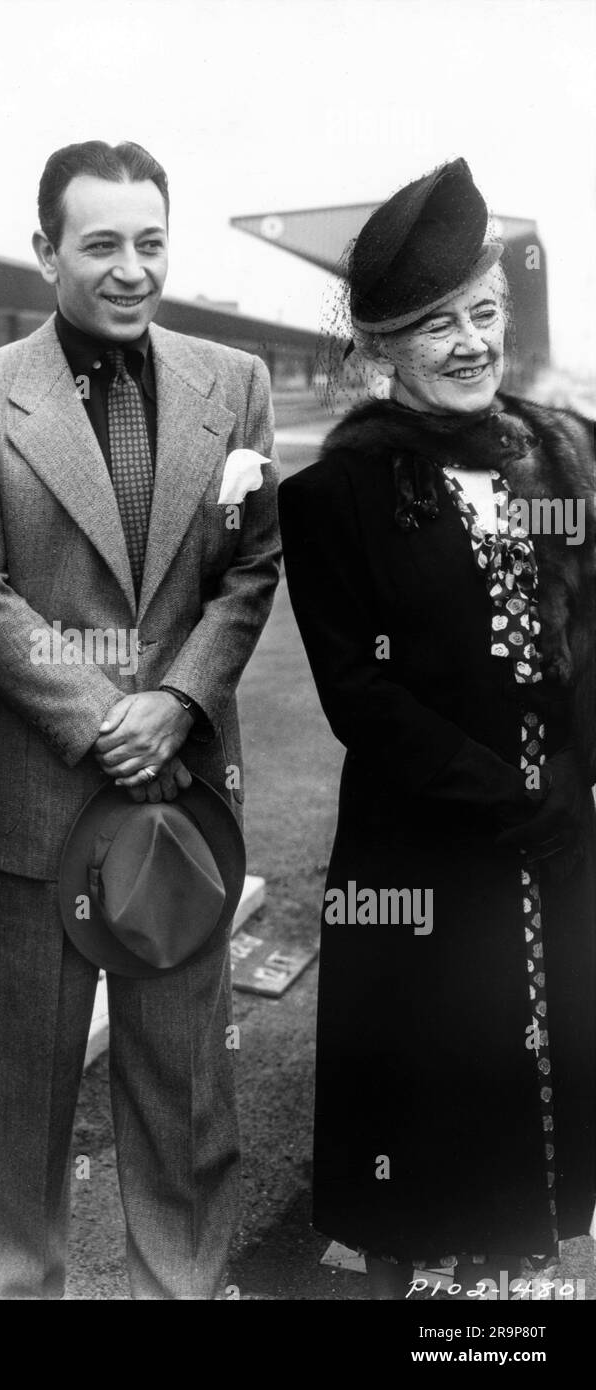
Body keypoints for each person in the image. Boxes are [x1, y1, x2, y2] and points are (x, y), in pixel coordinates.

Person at [0, 139, 281, 1299]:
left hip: (179, 796)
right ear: (45, 254)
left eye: (150, 242)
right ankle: (22, 1290)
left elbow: (250, 569)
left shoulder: (235, 384)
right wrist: (103, 719)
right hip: (37, 804)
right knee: (25, 1101)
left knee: (182, 1093)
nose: (132, 270)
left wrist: (176, 704)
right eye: (101, 245)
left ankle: (175, 1289)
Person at [279, 158, 596, 1299]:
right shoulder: (336, 495)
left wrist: (578, 779)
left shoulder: (562, 455)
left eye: (481, 314)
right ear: (377, 352)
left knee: (544, 1074)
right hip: (421, 852)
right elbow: (359, 698)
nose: (467, 344)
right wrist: (513, 794)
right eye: (431, 326)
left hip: (560, 832)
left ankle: (515, 1279)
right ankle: (437, 1289)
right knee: (433, 1089)